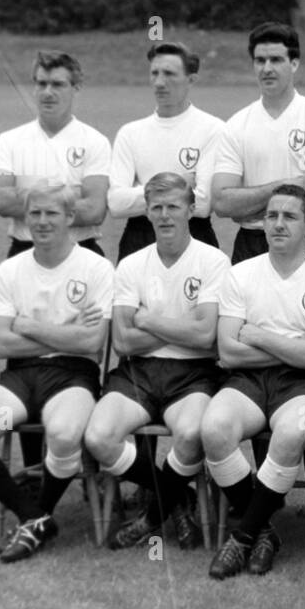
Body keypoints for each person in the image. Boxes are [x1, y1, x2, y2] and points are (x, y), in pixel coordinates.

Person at [0, 184, 113, 562]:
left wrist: (29, 326)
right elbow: (2, 345)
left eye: (51, 213)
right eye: (34, 213)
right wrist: (66, 331)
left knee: (65, 433)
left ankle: (35, 518)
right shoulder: (9, 270)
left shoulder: (97, 268)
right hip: (18, 377)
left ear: (70, 218)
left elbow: (91, 344)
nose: (41, 221)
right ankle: (33, 517)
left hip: (73, 376)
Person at [202, 185, 305, 578]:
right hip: (247, 379)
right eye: (272, 216)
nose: (278, 224)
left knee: (290, 435)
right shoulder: (240, 275)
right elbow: (228, 352)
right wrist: (295, 343)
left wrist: (262, 336)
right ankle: (264, 532)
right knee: (214, 430)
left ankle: (243, 537)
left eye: (289, 216)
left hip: (304, 385)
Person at [83, 173, 229, 551]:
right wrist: (181, 328)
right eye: (157, 208)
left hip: (193, 375)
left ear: (191, 209)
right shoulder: (131, 264)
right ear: (147, 212)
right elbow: (122, 340)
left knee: (192, 433)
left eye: (174, 207)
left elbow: (206, 338)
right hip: (138, 373)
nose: (165, 216)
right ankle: (176, 501)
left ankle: (151, 516)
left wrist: (148, 320)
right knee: (98, 436)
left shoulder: (213, 261)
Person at [212, 22, 305, 267]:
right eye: (260, 61)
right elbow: (221, 202)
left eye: (276, 60)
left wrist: (248, 203)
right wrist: (287, 185)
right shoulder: (236, 125)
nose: (267, 68)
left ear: (294, 63)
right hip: (252, 243)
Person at [108, 41, 225, 261]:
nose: (160, 82)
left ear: (191, 79)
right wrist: (180, 183)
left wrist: (141, 191)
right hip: (139, 238)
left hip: (195, 237)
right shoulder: (130, 133)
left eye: (169, 74)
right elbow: (116, 203)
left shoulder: (213, 129)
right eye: (155, 73)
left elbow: (203, 204)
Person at [0, 51, 111, 257]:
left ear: (76, 87)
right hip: (24, 250)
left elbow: (94, 210)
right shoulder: (9, 141)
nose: (47, 92)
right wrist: (70, 198)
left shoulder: (95, 142)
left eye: (57, 84)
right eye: (41, 84)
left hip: (81, 252)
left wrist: (25, 197)